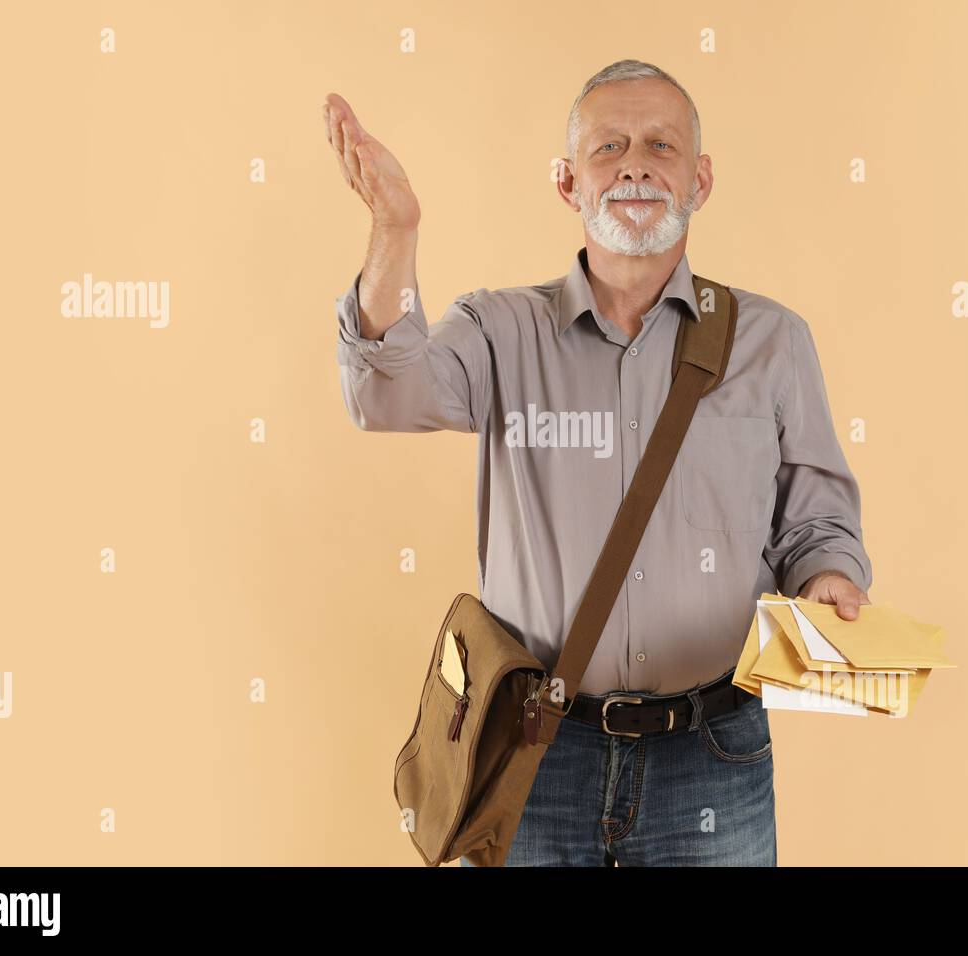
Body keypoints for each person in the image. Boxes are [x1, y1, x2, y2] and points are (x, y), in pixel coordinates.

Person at [323, 59, 872, 866]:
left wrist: (828, 576)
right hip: (537, 749)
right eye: (608, 146)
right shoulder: (498, 328)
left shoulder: (773, 341)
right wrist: (395, 231)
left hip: (713, 756)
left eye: (661, 144)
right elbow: (386, 396)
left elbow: (817, 523)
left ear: (702, 178)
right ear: (567, 182)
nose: (636, 164)